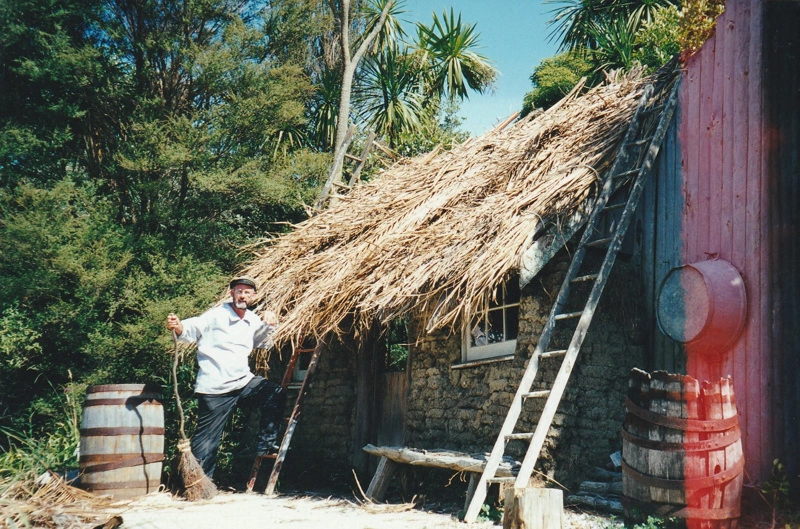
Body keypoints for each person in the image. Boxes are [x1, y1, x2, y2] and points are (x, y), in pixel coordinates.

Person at [166, 276, 285, 478]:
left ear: (253, 296)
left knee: (274, 392)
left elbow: (264, 342)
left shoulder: (252, 319)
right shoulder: (215, 316)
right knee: (206, 442)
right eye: (239, 291)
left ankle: (266, 445)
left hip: (242, 381)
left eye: (247, 292)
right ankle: (199, 485)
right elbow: (190, 329)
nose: (242, 295)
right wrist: (178, 326)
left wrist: (270, 323)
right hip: (215, 386)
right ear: (231, 293)